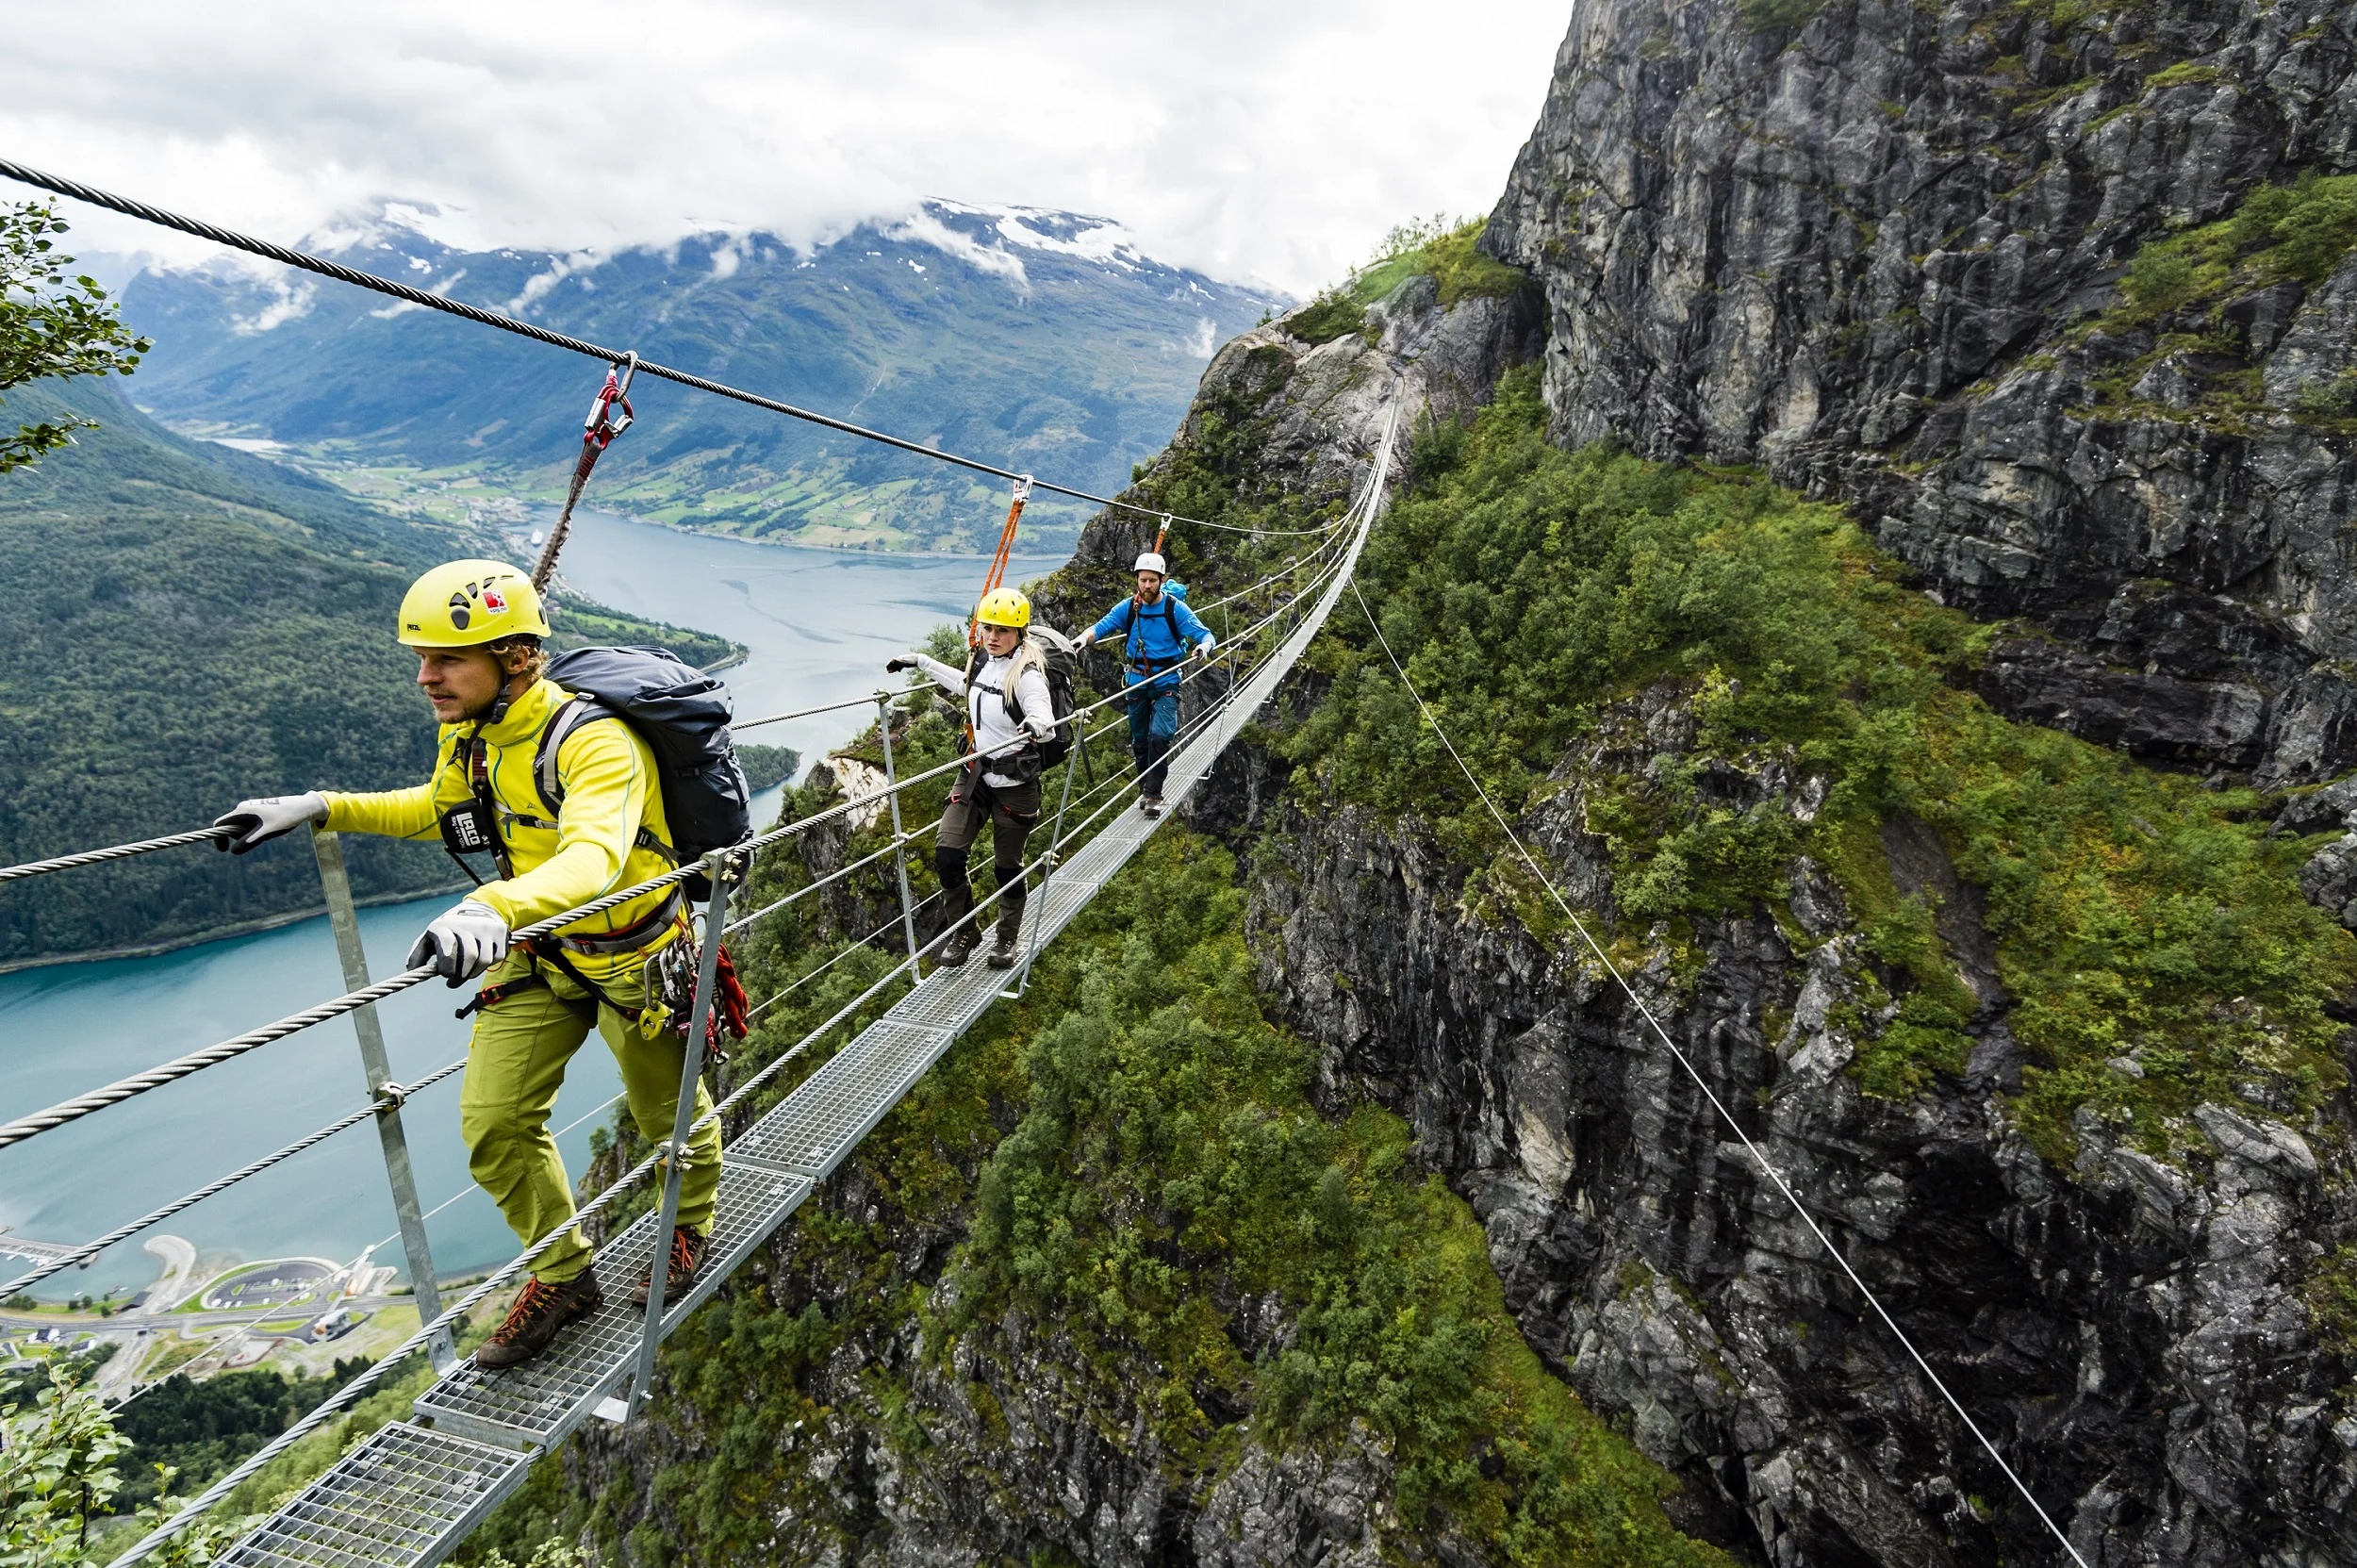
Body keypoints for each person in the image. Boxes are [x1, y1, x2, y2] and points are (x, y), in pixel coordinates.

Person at [211, 560, 722, 1370]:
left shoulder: (598, 742)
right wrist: (320, 806)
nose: (425, 677)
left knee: (670, 1121)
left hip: (633, 956)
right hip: (541, 952)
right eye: (421, 658)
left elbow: (593, 857)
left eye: (447, 659)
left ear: (517, 656)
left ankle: (689, 1227)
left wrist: (492, 908)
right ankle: (564, 1276)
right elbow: (435, 810)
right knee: (493, 1125)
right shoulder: (474, 736)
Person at [887, 587, 1056, 969]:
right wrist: (922, 662)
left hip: (1015, 784)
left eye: (1003, 631)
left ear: (1020, 633)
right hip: (976, 775)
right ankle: (965, 931)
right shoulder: (982, 662)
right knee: (948, 854)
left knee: (1006, 866)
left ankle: (1007, 938)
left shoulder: (1027, 675)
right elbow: (967, 686)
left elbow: (1043, 715)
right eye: (987, 629)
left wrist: (1035, 725)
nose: (993, 637)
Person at [1075, 552, 1215, 817]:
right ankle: (1145, 788)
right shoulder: (1128, 608)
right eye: (1143, 580)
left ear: (1162, 580)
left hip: (1167, 679)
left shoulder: (1175, 609)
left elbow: (1205, 634)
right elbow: (1103, 626)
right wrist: (1082, 639)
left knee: (1159, 737)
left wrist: (1203, 647)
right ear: (1137, 581)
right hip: (1137, 679)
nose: (1147, 586)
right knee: (1140, 740)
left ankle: (1153, 794)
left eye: (1152, 580)